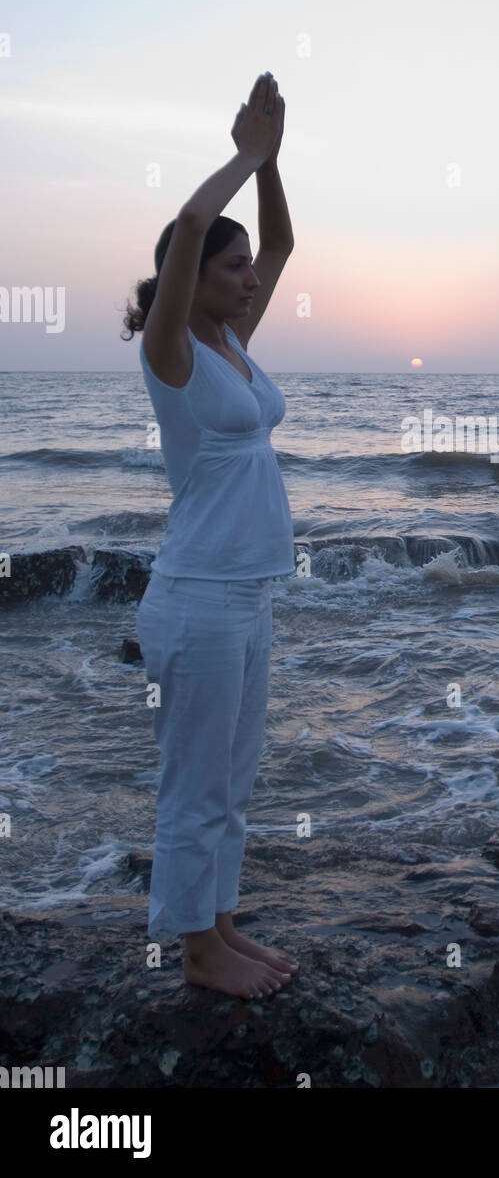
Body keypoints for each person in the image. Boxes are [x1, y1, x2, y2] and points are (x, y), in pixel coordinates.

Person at [122, 72, 299, 1000]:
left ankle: (220, 930)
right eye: (233, 271)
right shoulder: (174, 351)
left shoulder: (233, 343)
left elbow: (281, 240)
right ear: (192, 280)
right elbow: (194, 229)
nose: (251, 277)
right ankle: (193, 954)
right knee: (194, 787)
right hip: (196, 598)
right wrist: (244, 154)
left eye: (247, 272)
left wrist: (276, 164)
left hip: (250, 592)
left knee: (232, 782)